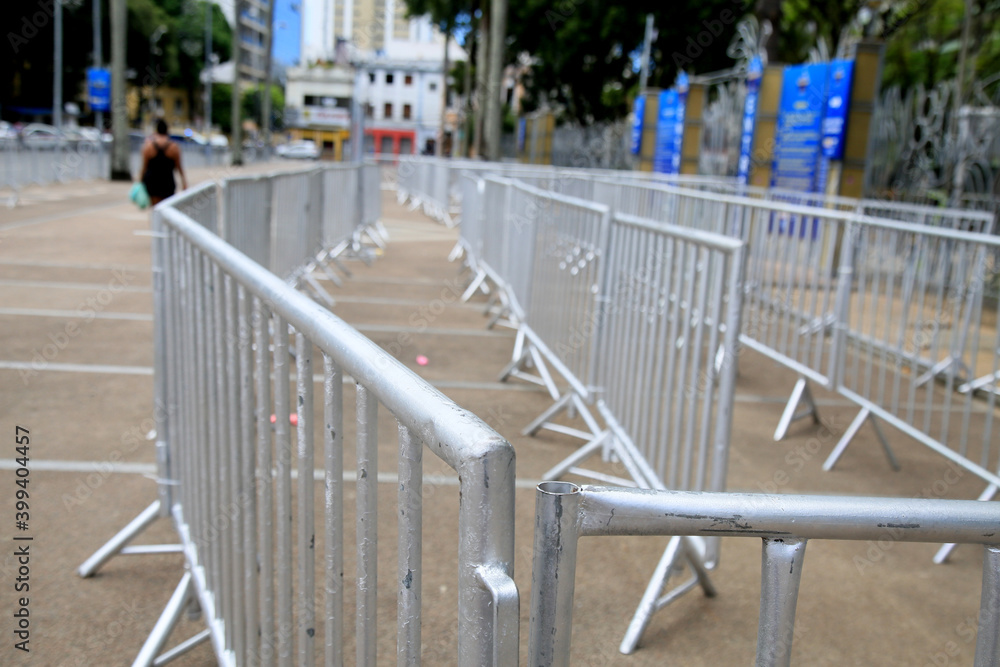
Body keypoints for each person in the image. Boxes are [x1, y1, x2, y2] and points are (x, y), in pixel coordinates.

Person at [140, 119, 187, 205]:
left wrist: (140, 182)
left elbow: (144, 167)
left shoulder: (148, 147)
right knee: (166, 208)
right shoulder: (174, 147)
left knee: (155, 209)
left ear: (157, 131)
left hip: (152, 183)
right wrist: (184, 183)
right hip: (168, 182)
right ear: (167, 131)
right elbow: (179, 167)